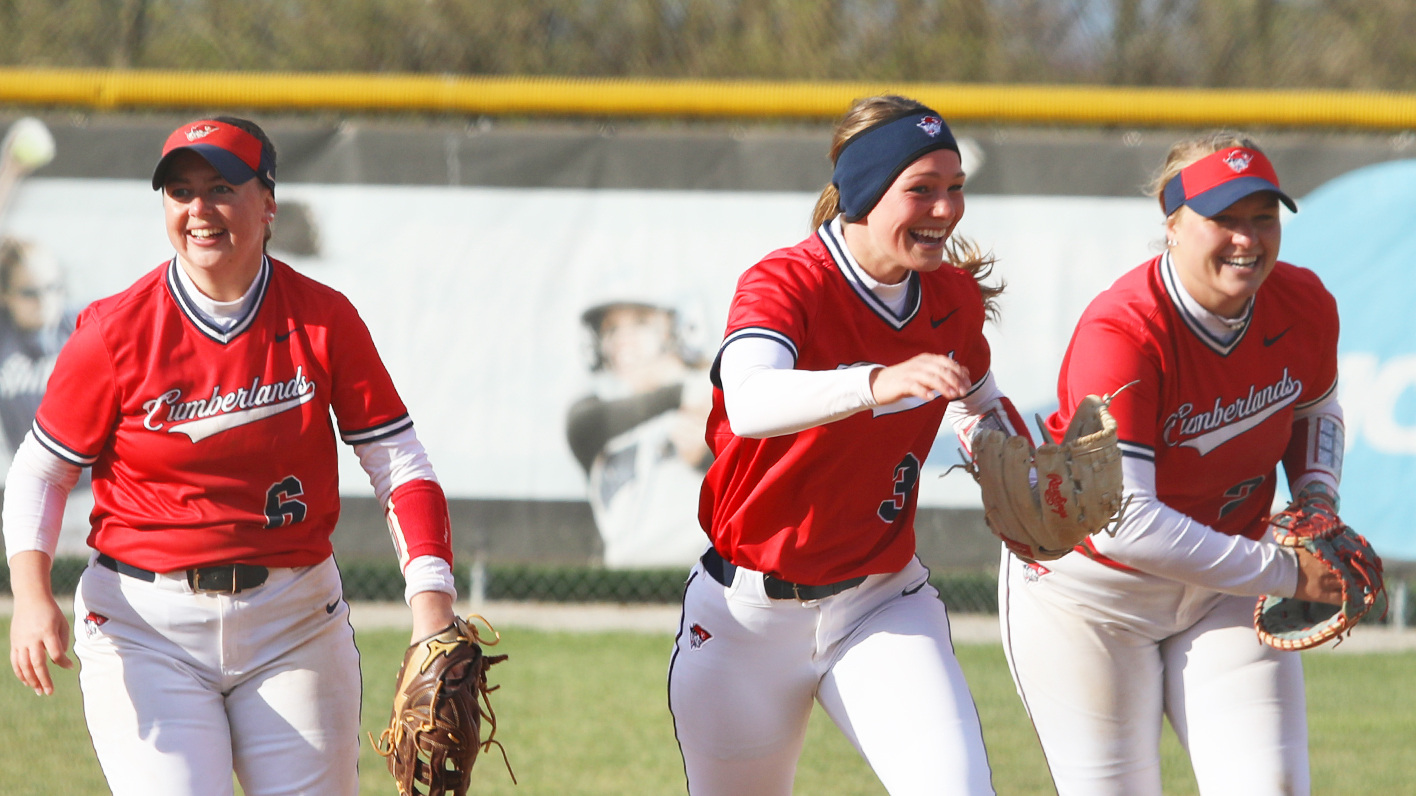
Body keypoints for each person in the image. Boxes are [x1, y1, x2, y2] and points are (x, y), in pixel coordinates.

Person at [4, 117, 461, 796]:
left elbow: (397, 458)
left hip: (295, 624)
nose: (198, 210)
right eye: (180, 191)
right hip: (144, 626)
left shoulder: (323, 319)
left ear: (268, 202)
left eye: (221, 187)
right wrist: (31, 592)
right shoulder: (115, 330)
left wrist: (433, 609)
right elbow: (42, 471)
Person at [669, 95, 1033, 796]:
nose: (945, 209)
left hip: (880, 601)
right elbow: (749, 403)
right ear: (864, 193)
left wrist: (1008, 458)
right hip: (745, 617)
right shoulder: (787, 281)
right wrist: (874, 383)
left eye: (955, 188)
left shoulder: (949, 297)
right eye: (920, 190)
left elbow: (978, 402)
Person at [1000, 132, 1346, 795]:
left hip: (1225, 589)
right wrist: (1285, 570)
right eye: (1224, 218)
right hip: (1090, 598)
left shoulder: (1302, 303)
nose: (1247, 238)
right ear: (1173, 226)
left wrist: (1317, 501)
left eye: (1263, 217)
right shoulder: (1123, 333)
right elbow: (1125, 523)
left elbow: (1316, 410)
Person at [566, 299, 713, 567]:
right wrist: (678, 395)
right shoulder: (603, 410)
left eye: (640, 323)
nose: (622, 339)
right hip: (627, 586)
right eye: (611, 328)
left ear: (680, 326)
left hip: (708, 582)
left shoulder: (719, 389)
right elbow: (582, 424)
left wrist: (711, 456)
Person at [0, 236, 75, 457]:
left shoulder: (84, 327)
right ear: (5, 295)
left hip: (96, 480)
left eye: (53, 287)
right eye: (29, 293)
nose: (45, 301)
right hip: (36, 480)